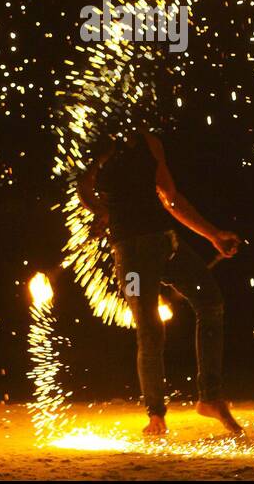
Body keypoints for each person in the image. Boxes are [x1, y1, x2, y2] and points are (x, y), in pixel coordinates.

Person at [78, 129, 243, 436]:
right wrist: (101, 211)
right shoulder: (100, 146)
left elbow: (171, 199)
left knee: (210, 302)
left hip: (166, 246)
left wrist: (213, 235)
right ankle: (156, 414)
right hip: (130, 255)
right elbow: (84, 188)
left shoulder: (150, 143)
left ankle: (210, 397)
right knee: (150, 327)